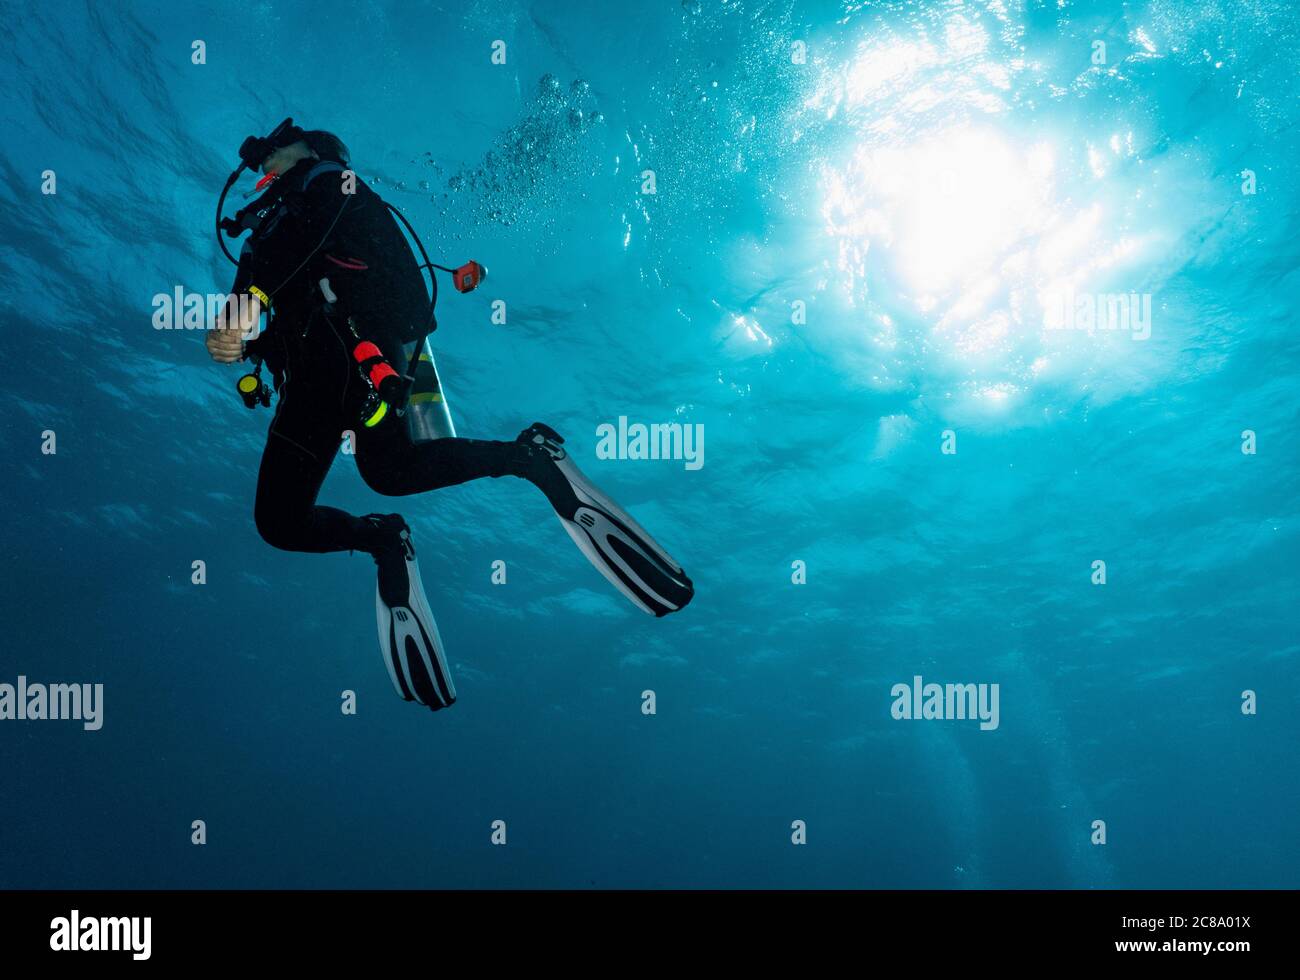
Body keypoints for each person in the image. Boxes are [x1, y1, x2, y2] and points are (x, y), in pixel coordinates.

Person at [207, 120, 693, 711]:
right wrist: (237, 335)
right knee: (287, 519)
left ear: (311, 149)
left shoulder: (326, 182)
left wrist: (245, 307)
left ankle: (529, 459)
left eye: (279, 147)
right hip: (312, 382)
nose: (265, 159)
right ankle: (386, 537)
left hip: (362, 355)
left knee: (385, 472)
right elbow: (254, 292)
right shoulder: (266, 230)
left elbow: (290, 259)